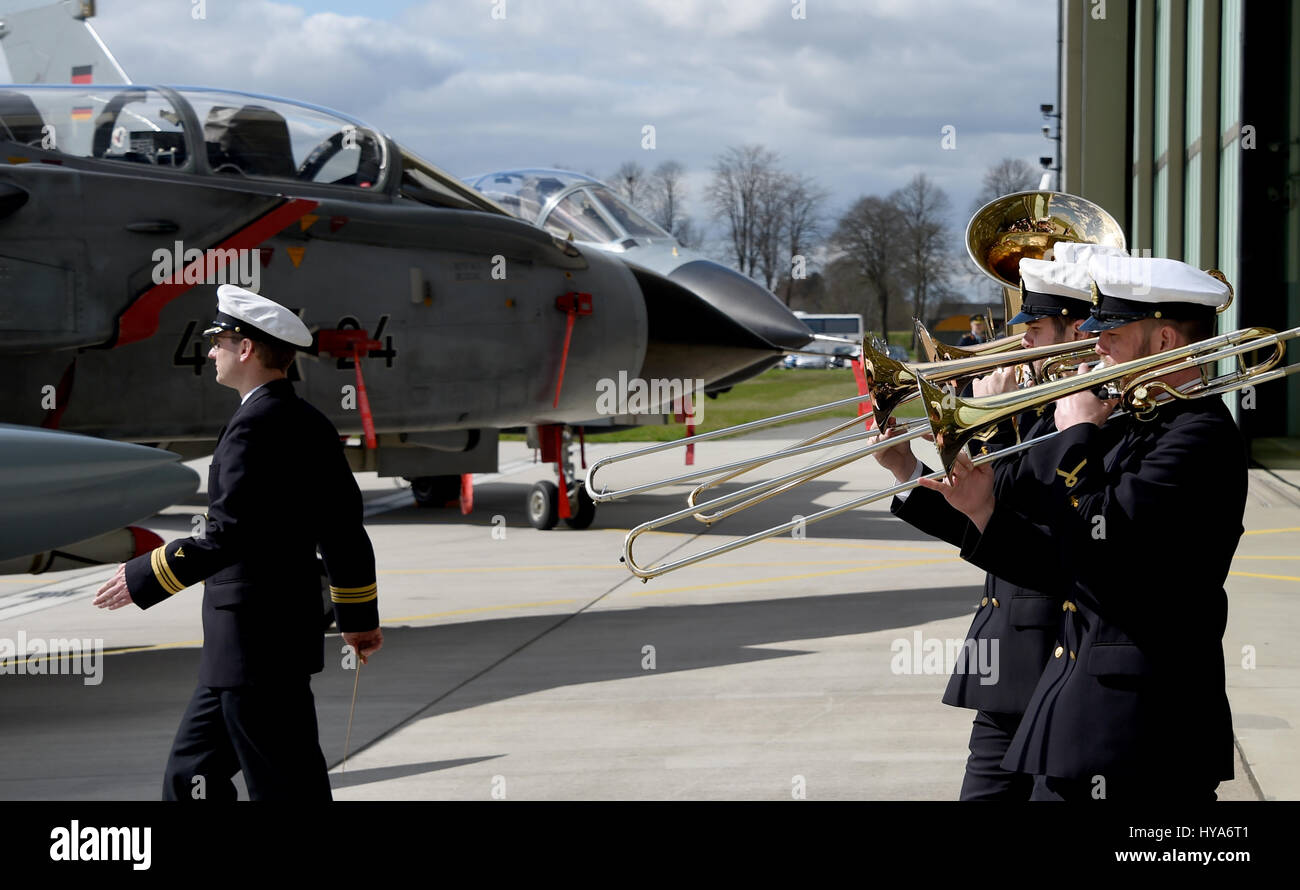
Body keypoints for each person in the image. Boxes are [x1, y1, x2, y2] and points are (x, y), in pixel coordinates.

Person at [917, 256, 1244, 801]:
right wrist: (981, 513)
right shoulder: (1139, 425)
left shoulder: (1199, 434)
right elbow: (1059, 564)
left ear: (1164, 340)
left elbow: (1102, 538)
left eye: (1111, 333)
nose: (1095, 346)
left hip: (1145, 724)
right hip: (1080, 709)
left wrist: (1075, 436)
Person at [93, 284, 384, 801]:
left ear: (245, 348)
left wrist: (147, 574)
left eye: (218, 342)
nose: (211, 352)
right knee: (192, 778)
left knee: (282, 784)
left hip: (252, 645)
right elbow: (343, 530)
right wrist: (358, 620)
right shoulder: (309, 423)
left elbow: (229, 532)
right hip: (255, 648)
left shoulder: (255, 426)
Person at [871, 257, 1094, 799]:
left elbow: (1030, 517)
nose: (1020, 345)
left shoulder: (1083, 418)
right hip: (1006, 658)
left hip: (1054, 654)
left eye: (1035, 330)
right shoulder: (1047, 411)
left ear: (1076, 332)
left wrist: (989, 424)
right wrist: (905, 470)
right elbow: (982, 522)